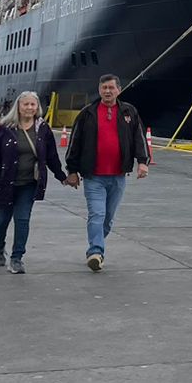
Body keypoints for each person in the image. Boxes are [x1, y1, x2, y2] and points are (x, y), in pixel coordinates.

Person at [63, 74, 149, 271]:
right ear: (99, 90)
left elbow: (139, 137)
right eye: (104, 88)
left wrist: (143, 162)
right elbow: (74, 143)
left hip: (118, 176)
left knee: (108, 218)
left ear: (119, 89)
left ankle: (96, 244)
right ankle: (96, 252)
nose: (108, 91)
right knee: (97, 214)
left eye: (111, 87)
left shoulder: (129, 111)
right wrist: (72, 170)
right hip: (94, 176)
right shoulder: (87, 113)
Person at [0, 90, 72, 273]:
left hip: (29, 184)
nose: (30, 108)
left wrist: (62, 176)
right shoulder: (4, 128)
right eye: (26, 104)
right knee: (2, 220)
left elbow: (51, 156)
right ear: (19, 106)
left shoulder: (43, 128)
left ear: (37, 107)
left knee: (22, 219)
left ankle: (17, 258)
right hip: (4, 183)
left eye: (33, 104)